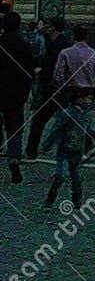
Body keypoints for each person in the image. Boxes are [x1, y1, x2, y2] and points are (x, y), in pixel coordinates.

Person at [25, 20, 73, 159]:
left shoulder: (61, 45)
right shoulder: (54, 41)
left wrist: (42, 70)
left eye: (46, 25)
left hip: (54, 87)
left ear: (53, 28)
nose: (43, 27)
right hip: (54, 86)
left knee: (40, 120)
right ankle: (33, 150)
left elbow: (55, 65)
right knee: (64, 118)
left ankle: (32, 151)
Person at [0, 10, 34, 184]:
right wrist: (25, 93)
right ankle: (14, 159)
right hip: (16, 95)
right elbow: (29, 73)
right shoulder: (24, 46)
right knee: (15, 129)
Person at [41, 96, 92, 210]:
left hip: (76, 150)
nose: (89, 101)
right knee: (61, 175)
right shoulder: (68, 114)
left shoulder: (84, 115)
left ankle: (76, 201)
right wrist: (47, 145)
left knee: (75, 176)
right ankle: (50, 201)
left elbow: (87, 132)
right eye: (86, 98)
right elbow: (56, 130)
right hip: (65, 150)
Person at [53, 29, 95, 103]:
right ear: (87, 37)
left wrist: (58, 89)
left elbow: (58, 76)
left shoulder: (65, 53)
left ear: (72, 37)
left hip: (70, 91)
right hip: (88, 90)